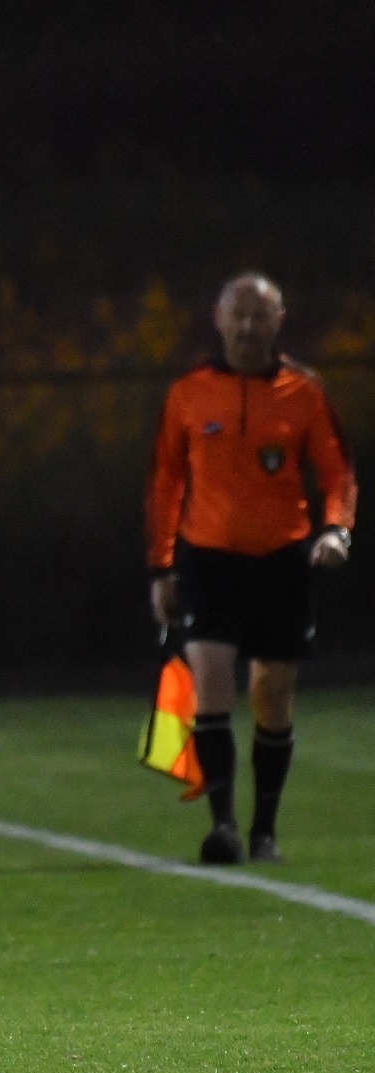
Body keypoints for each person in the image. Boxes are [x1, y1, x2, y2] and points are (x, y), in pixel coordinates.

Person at [146, 274, 356, 865]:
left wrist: (337, 529)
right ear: (218, 317)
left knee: (272, 694)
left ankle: (265, 831)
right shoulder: (189, 393)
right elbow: (166, 481)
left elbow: (338, 474)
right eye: (239, 314)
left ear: (279, 319)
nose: (248, 326)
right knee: (211, 680)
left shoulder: (304, 393)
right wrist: (160, 567)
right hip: (209, 559)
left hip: (282, 561)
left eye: (259, 315)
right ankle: (224, 828)